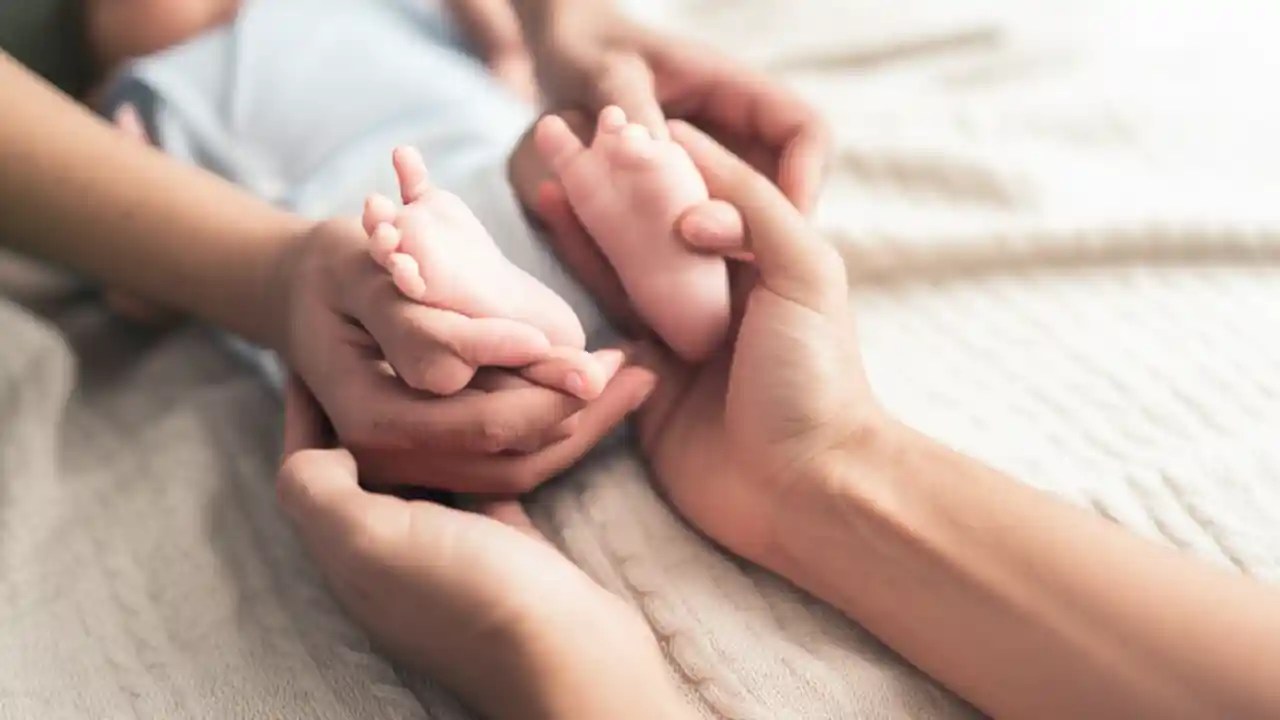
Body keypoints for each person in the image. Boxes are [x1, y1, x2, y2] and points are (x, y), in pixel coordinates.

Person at [281, 126, 1280, 719]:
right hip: (410, 233)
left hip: (407, 201)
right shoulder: (155, 88)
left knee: (452, 311)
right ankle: (530, 307)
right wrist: (816, 465)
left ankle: (512, 304)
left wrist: (561, 664)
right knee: (455, 323)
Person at [0, 0, 827, 491]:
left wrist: (534, 37)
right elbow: (140, 282)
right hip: (356, 233)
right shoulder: (136, 99)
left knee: (559, 149)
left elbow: (501, 43)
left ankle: (662, 263)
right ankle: (513, 308)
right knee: (410, 292)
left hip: (493, 176)